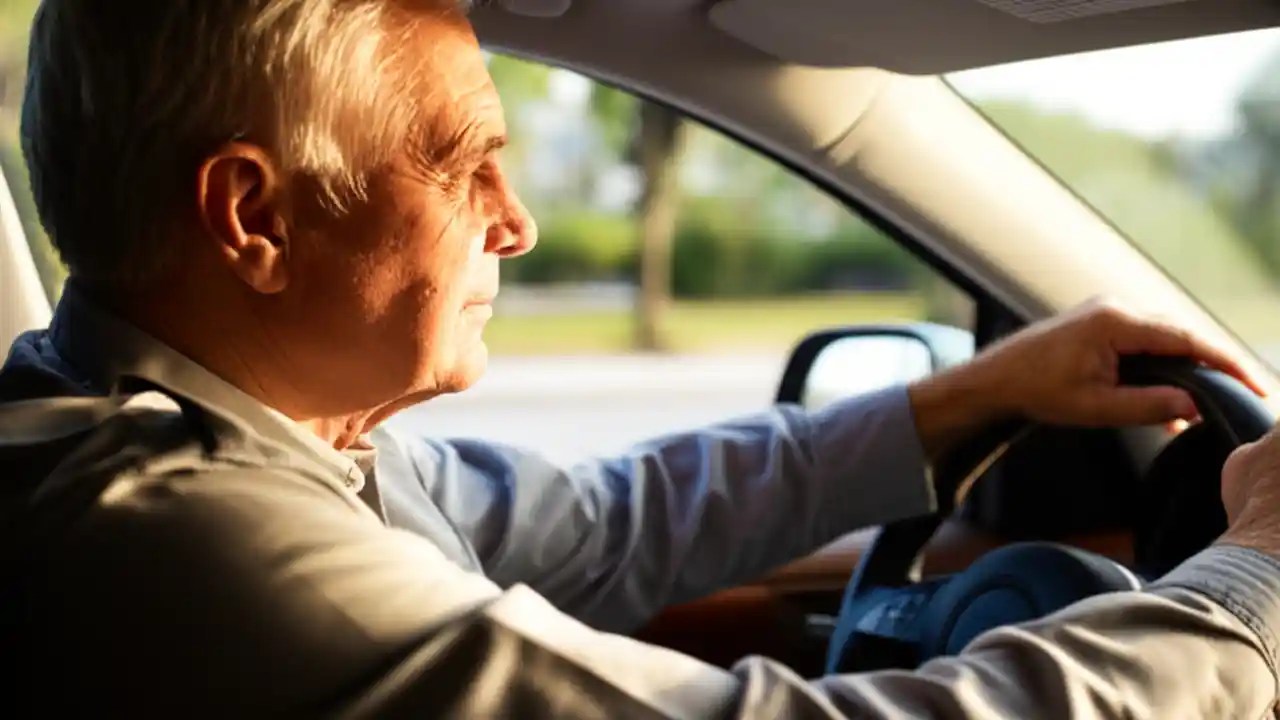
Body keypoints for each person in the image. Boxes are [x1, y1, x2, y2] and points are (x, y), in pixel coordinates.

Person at [3, 0, 1280, 717]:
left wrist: (980, 390)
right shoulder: (175, 536)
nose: (519, 221)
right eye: (464, 164)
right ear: (255, 218)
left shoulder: (276, 437)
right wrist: (1247, 586)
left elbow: (611, 523)